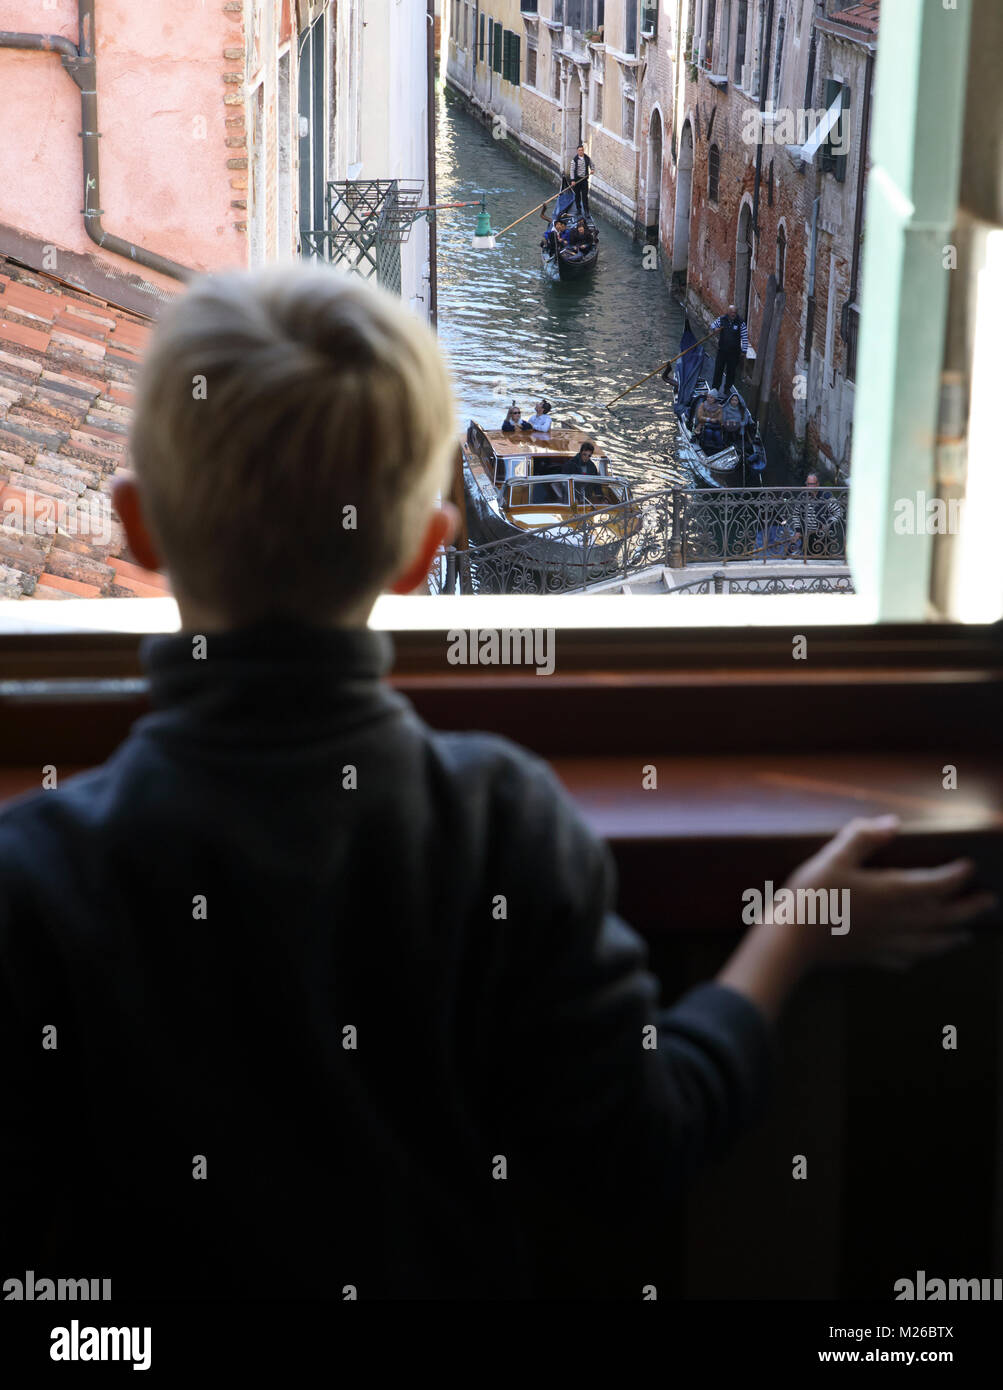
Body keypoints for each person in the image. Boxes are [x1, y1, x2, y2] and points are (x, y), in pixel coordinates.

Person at [0, 265, 992, 1302]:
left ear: (137, 527)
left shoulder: (35, 874)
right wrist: (795, 924)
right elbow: (641, 1151)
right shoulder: (497, 822)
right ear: (427, 552)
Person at [710, 304, 750, 394]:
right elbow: (712, 325)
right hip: (722, 351)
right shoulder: (722, 319)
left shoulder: (741, 323)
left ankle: (727, 389)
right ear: (728, 312)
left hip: (734, 352)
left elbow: (744, 338)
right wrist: (715, 329)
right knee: (718, 370)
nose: (733, 314)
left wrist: (744, 351)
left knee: (731, 372)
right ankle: (715, 389)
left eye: (735, 312)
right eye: (731, 312)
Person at [570, 143, 593, 216]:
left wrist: (592, 169)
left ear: (583, 151)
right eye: (579, 150)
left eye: (582, 150)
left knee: (584, 196)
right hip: (577, 180)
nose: (581, 151)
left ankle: (586, 212)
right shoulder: (574, 160)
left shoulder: (587, 158)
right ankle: (579, 210)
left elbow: (592, 165)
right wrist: (573, 180)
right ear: (577, 151)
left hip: (584, 180)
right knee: (577, 196)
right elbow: (571, 170)